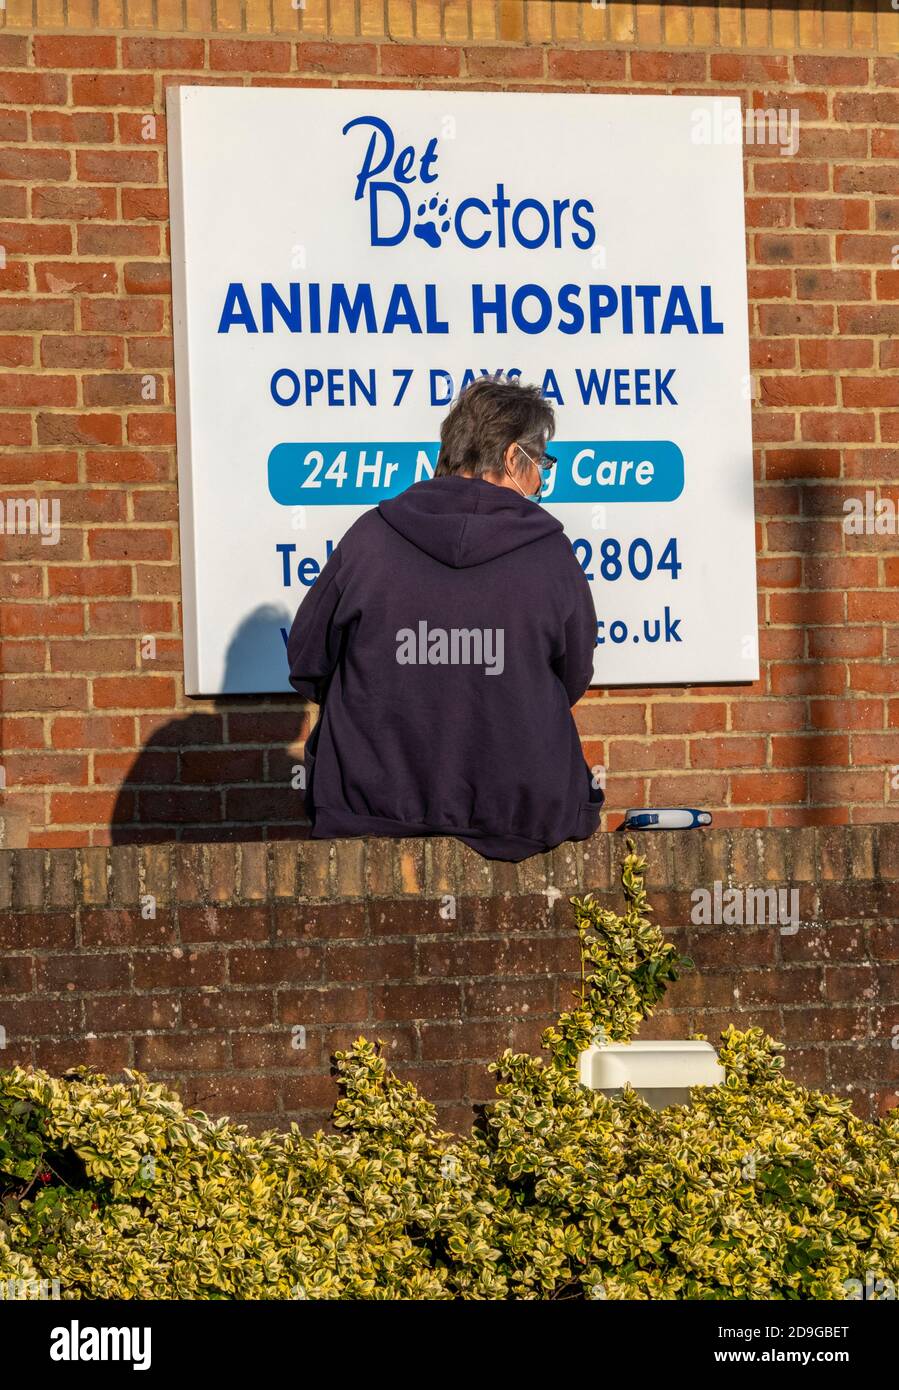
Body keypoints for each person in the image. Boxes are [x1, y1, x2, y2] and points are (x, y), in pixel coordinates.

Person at [286, 376, 602, 862]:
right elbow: (574, 677)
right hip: (521, 814)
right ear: (514, 459)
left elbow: (308, 660)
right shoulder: (550, 553)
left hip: (369, 806)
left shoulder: (371, 537)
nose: (541, 480)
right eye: (541, 463)